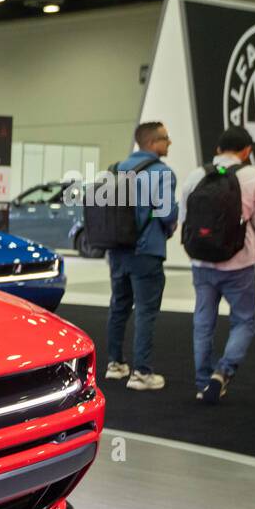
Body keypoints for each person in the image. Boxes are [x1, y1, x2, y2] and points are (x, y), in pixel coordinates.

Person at [180, 126, 255, 405]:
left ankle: (202, 382)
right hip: (239, 263)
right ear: (246, 151)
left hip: (201, 261)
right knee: (244, 321)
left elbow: (186, 218)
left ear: (218, 149)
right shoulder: (254, 176)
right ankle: (223, 372)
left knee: (203, 322)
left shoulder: (196, 175)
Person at [104, 121, 180, 391]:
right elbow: (167, 213)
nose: (169, 142)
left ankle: (115, 365)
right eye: (165, 138)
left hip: (117, 251)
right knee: (146, 311)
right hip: (146, 251)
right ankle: (141, 373)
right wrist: (172, 225)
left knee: (119, 307)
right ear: (151, 143)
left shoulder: (116, 169)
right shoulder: (162, 173)